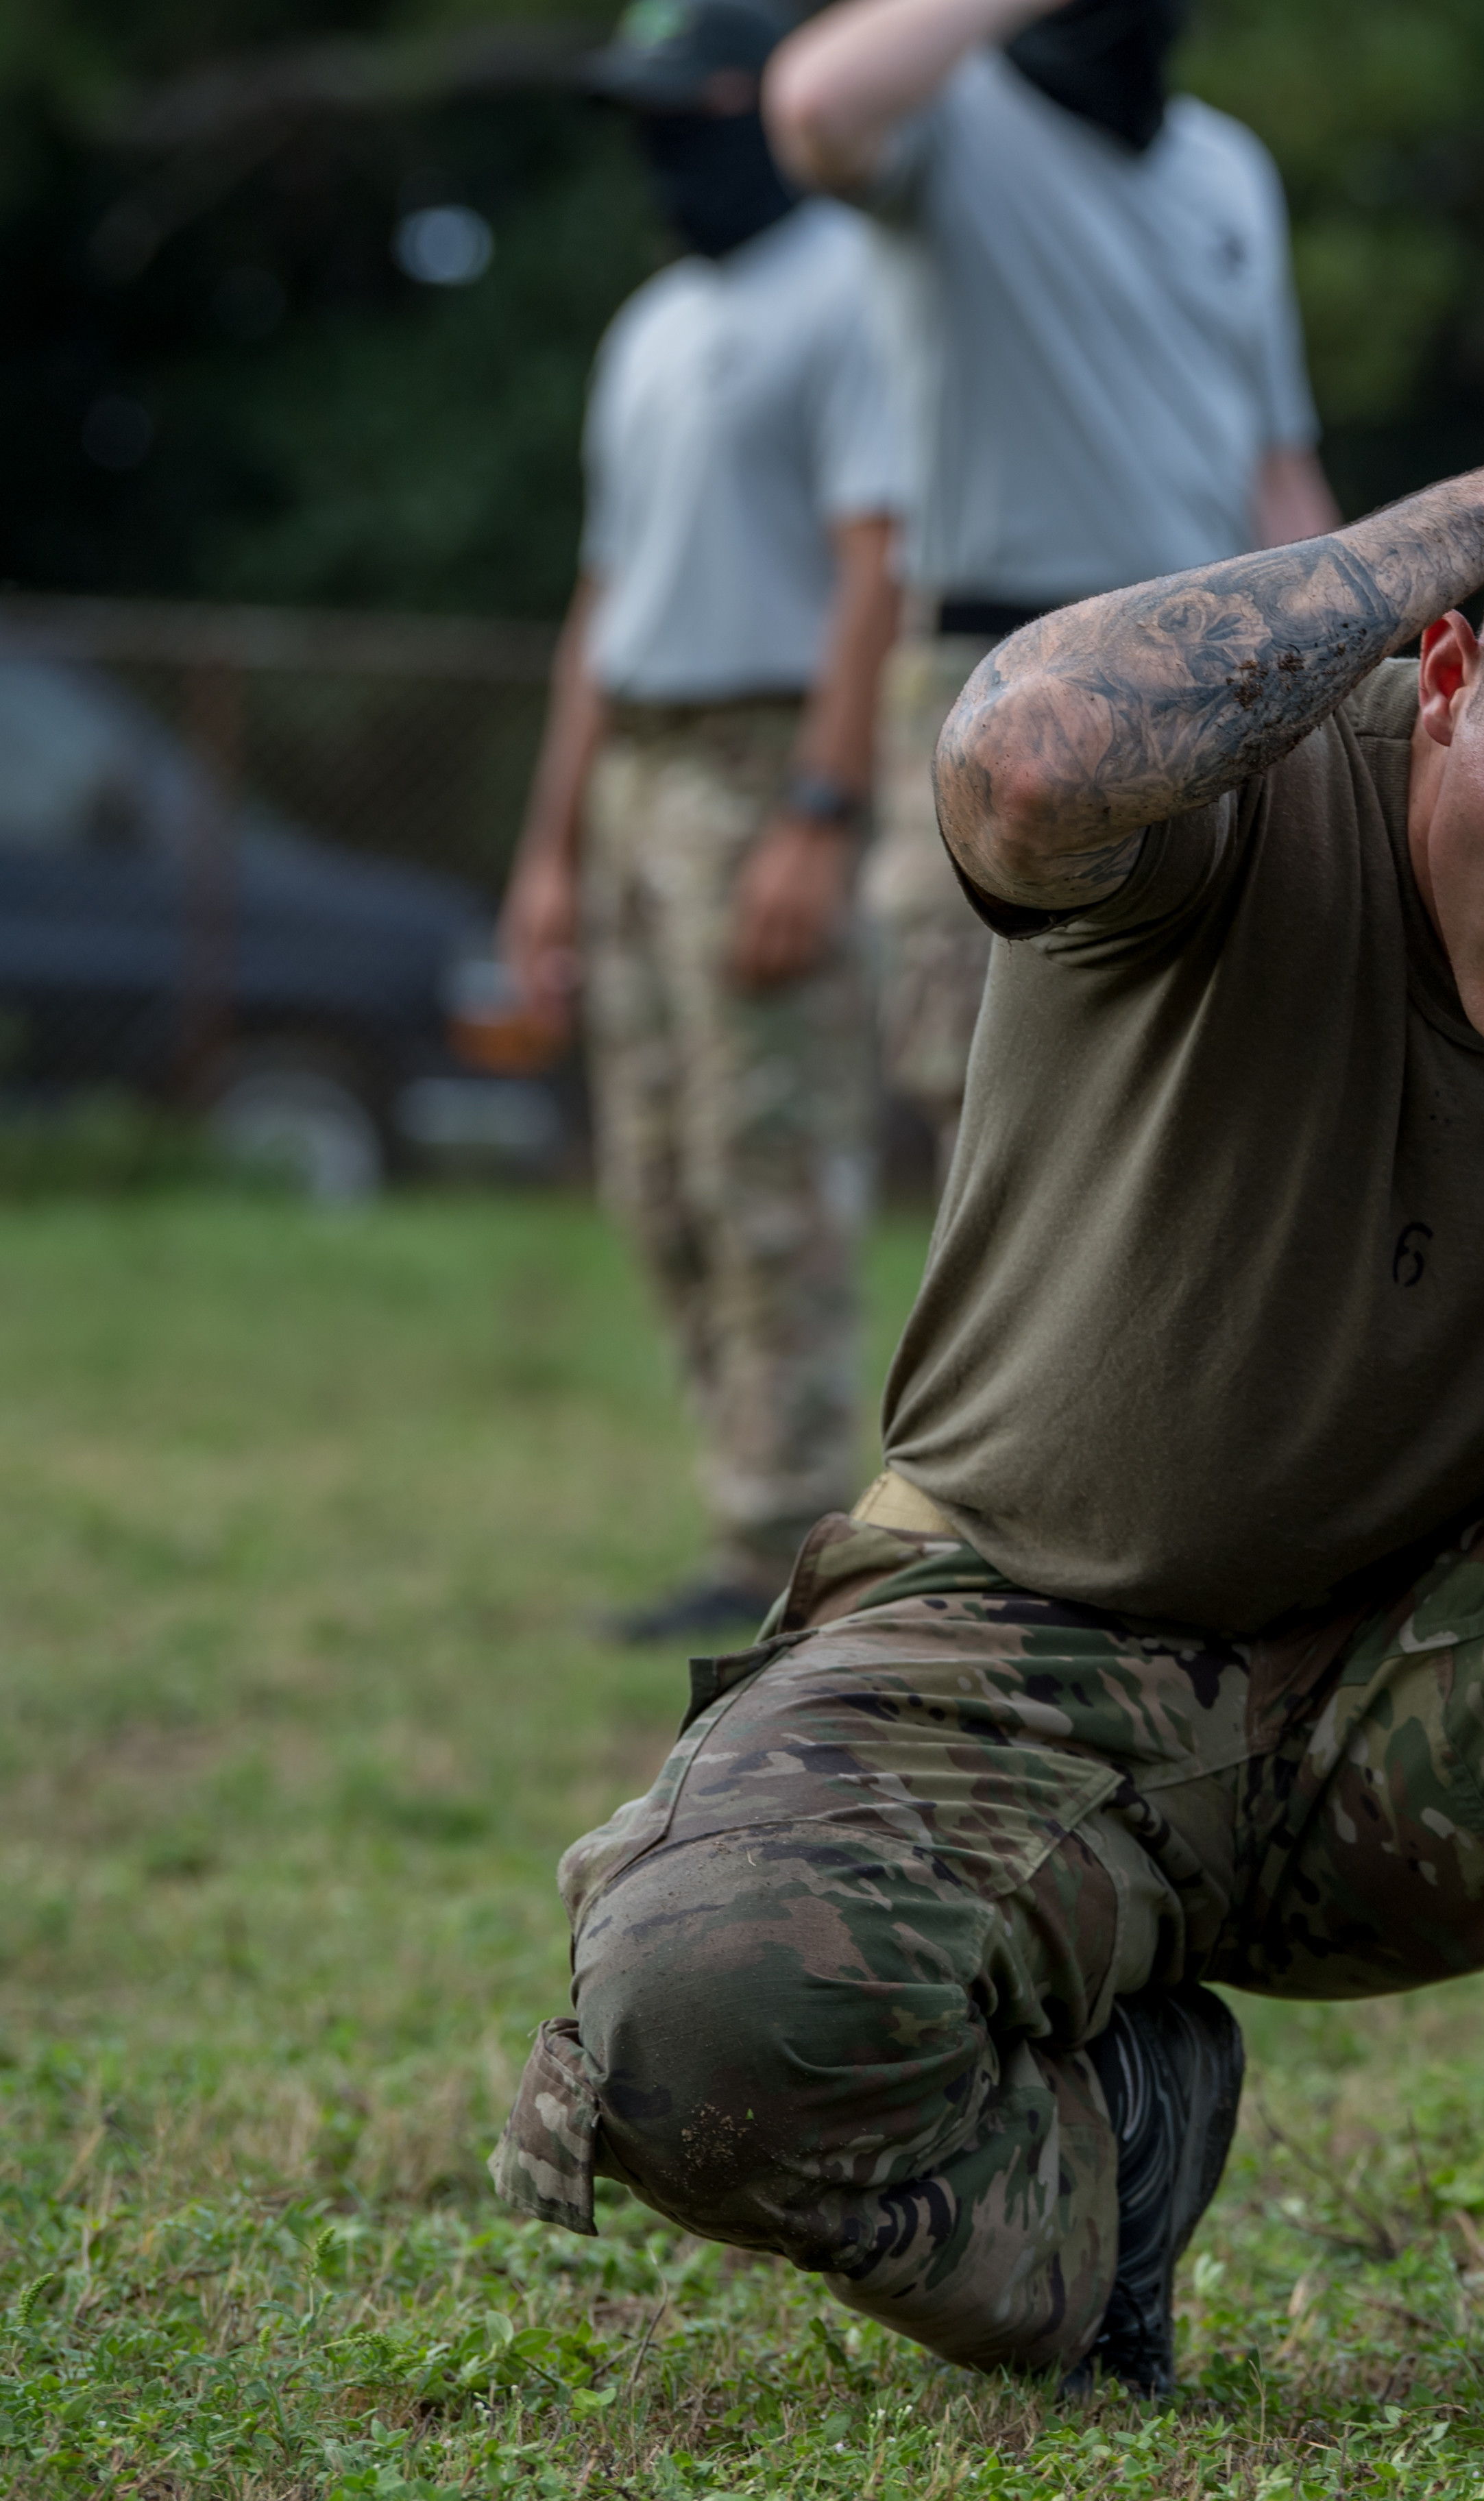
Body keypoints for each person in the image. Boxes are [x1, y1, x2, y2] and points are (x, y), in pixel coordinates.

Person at [491, 413, 1484, 2501]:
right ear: (1451, 680)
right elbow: (1019, 760)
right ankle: (1120, 2169)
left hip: (1432, 1706)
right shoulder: (1252, 782)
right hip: (1008, 1641)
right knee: (696, 2035)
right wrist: (1480, 524)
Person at [500, 0, 907, 1645]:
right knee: (657, 1177)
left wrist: (823, 808)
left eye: (687, 112)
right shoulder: (655, 323)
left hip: (759, 762)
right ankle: (742, 1509)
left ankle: (794, 1549)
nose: (663, 148)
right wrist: (547, 847)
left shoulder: (856, 290)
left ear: (755, 106)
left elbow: (878, 562)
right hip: (632, 773)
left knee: (772, 1166)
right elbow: (602, 596)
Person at [762, 0, 1341, 1150]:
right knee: (994, 1119)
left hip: (1212, 687)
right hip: (998, 682)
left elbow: (1278, 475)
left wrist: (1378, 677)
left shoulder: (1226, 169)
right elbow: (814, 103)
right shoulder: (950, 120)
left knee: (1200, 1109)